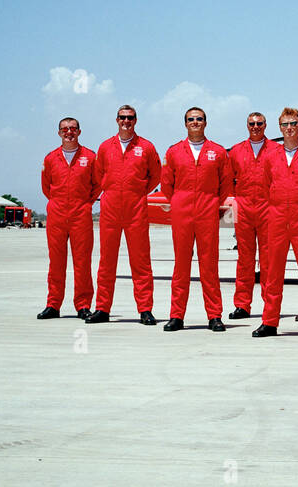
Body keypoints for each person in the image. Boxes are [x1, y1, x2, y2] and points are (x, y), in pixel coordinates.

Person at [252, 109, 298, 340]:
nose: (289, 128)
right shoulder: (270, 156)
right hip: (276, 221)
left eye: (294, 123)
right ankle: (270, 321)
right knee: (272, 273)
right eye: (285, 124)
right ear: (280, 127)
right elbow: (265, 188)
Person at [159, 107, 230, 332]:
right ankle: (177, 316)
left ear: (205, 123)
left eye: (199, 119)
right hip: (182, 212)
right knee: (181, 265)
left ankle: (214, 316)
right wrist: (181, 201)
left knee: (209, 265)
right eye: (191, 119)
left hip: (207, 211)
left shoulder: (218, 152)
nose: (195, 122)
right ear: (186, 124)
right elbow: (166, 184)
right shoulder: (173, 152)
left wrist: (210, 203)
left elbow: (226, 184)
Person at [90, 105, 161, 324]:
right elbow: (98, 174)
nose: (126, 121)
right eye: (122, 117)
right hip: (110, 207)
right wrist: (111, 190)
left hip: (136, 208)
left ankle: (145, 309)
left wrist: (137, 191)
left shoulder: (146, 147)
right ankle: (102, 308)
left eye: (130, 118)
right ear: (116, 120)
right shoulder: (105, 147)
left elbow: (155, 176)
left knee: (141, 261)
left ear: (136, 120)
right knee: (107, 261)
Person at [38, 117, 99, 320]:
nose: (69, 132)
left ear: (79, 132)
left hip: (81, 213)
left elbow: (97, 184)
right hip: (56, 213)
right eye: (65, 129)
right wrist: (59, 202)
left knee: (82, 262)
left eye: (73, 129)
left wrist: (84, 203)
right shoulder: (50, 158)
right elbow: (46, 187)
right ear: (59, 133)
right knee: (56, 262)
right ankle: (53, 305)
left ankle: (83, 305)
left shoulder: (90, 157)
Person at [227, 112, 270, 320]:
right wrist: (234, 202)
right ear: (247, 126)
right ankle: (242, 305)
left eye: (259, 123)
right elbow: (228, 180)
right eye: (252, 124)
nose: (256, 127)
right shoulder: (235, 151)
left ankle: (270, 304)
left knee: (269, 260)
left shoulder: (275, 151)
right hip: (243, 208)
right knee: (244, 259)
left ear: (265, 125)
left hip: (267, 208)